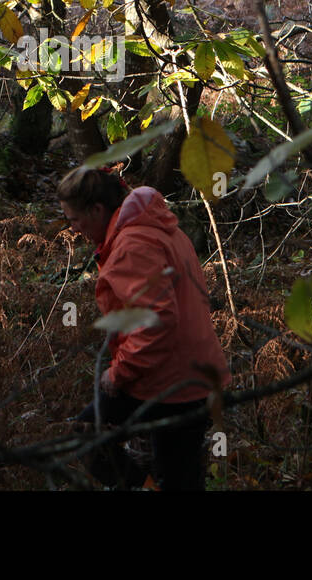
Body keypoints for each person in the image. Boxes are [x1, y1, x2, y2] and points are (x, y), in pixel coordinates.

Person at [58, 165, 231, 490]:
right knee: (180, 476)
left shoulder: (132, 245)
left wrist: (119, 372)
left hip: (172, 382)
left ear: (97, 210)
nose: (74, 229)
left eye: (74, 219)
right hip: (187, 373)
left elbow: (157, 321)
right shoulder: (156, 227)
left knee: (87, 435)